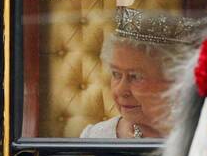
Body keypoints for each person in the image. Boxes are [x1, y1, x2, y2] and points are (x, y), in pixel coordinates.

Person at [80, 8, 197, 139]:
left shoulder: (201, 137)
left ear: (174, 81)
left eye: (135, 77)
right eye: (116, 74)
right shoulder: (95, 137)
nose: (120, 90)